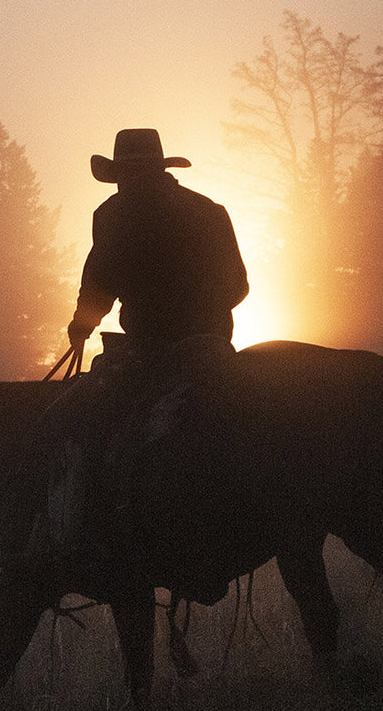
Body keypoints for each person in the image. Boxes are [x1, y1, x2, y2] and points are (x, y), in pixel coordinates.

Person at [31, 128, 249, 569]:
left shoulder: (112, 216)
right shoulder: (209, 211)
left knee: (76, 422)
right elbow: (238, 285)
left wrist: (82, 326)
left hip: (145, 352)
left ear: (123, 175)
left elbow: (99, 283)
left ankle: (81, 535)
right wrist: (201, 314)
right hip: (212, 348)